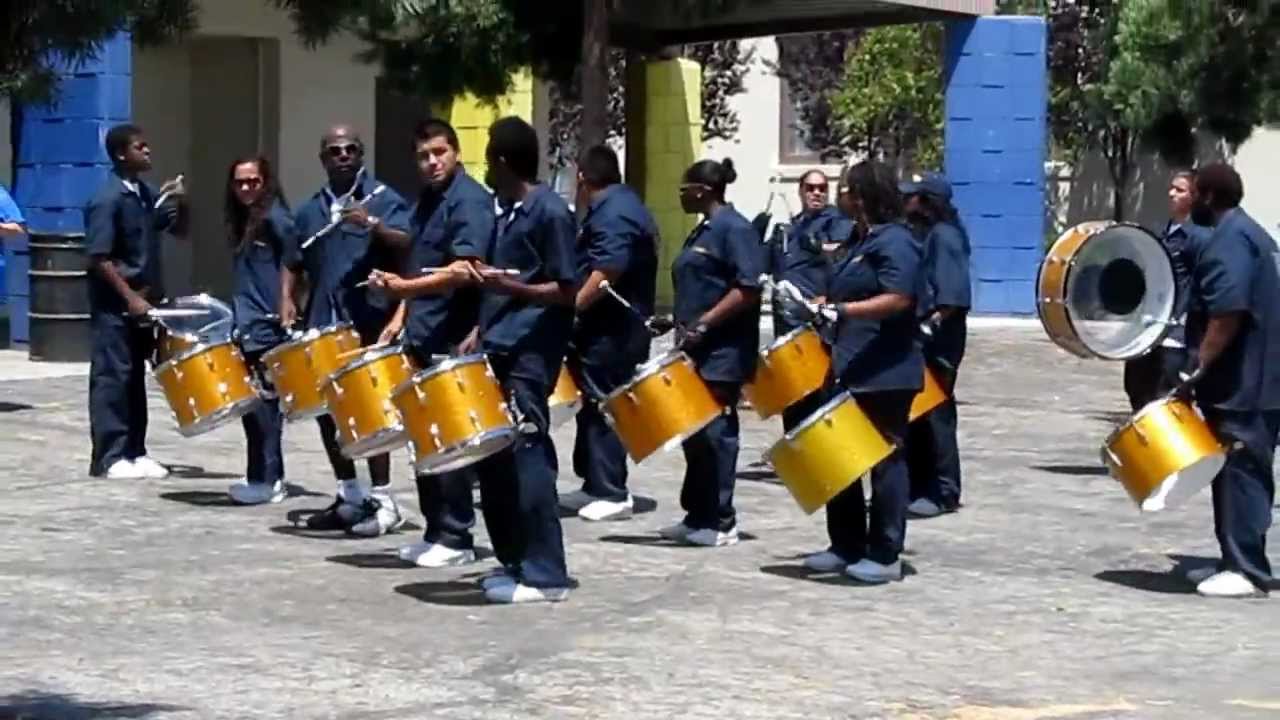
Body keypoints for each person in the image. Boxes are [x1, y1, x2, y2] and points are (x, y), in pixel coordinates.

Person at [366, 118, 493, 568]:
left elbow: (465, 268)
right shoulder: (427, 202)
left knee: (450, 443)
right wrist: (400, 313)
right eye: (423, 156)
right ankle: (435, 529)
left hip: (453, 338)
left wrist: (404, 291)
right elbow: (421, 268)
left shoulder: (470, 201)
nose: (432, 162)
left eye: (439, 152)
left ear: (456, 152)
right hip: (422, 333)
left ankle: (457, 536)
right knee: (424, 439)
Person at [464, 116, 578, 603]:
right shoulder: (505, 212)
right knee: (497, 459)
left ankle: (545, 572)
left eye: (489, 155)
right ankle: (513, 558)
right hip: (498, 346)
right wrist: (477, 330)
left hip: (531, 352)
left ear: (504, 161)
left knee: (530, 456)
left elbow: (567, 289)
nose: (485, 165)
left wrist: (509, 286)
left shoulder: (549, 211)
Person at [279, 125, 412, 536]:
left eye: (350, 149)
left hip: (370, 323)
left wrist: (372, 224)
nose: (343, 156)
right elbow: (292, 259)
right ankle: (350, 495)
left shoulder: (383, 199)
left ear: (361, 155)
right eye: (334, 150)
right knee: (328, 413)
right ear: (323, 158)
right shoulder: (310, 210)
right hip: (324, 322)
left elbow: (408, 246)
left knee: (372, 410)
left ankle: (385, 499)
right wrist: (286, 298)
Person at [805, 160, 923, 584]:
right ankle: (846, 544)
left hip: (886, 371)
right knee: (840, 456)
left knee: (885, 459)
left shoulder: (896, 242)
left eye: (844, 188)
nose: (838, 195)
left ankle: (885, 552)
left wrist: (842, 311)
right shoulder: (859, 239)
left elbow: (899, 298)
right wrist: (821, 303)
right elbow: (850, 288)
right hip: (848, 366)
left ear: (860, 195)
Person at [1178, 162, 1280, 598]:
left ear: (1208, 197)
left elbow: (1228, 311)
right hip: (1253, 379)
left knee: (1244, 471)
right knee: (1234, 466)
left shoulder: (1229, 242)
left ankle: (1248, 570)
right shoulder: (1248, 233)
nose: (1189, 200)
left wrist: (1198, 365)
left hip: (1246, 384)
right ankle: (1232, 559)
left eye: (1194, 192)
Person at [660, 158, 767, 547]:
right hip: (695, 351)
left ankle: (721, 520)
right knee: (695, 433)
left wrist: (705, 323)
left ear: (702, 190)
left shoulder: (734, 230)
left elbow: (748, 288)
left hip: (723, 351)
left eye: (684, 189)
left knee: (717, 434)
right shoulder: (704, 230)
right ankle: (697, 515)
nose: (681, 195)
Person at [558, 144, 659, 522]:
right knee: (592, 405)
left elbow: (605, 272)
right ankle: (593, 483)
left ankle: (613, 491)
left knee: (607, 406)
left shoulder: (614, 213)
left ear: (582, 177)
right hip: (604, 331)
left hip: (614, 331)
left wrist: (570, 310)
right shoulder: (619, 205)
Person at [85, 123, 187, 479]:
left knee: (134, 380)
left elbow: (175, 228)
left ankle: (135, 450)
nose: (148, 151)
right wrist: (128, 297)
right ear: (120, 154)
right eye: (140, 147)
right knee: (113, 378)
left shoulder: (143, 194)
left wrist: (176, 200)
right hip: (116, 306)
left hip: (144, 304)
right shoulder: (108, 198)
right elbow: (99, 257)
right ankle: (109, 457)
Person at [900, 171, 971, 518]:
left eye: (912, 197)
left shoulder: (944, 237)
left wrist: (929, 326)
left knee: (936, 415)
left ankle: (943, 492)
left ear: (927, 203)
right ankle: (918, 487)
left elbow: (952, 296)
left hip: (940, 344)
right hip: (925, 340)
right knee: (919, 416)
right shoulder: (927, 235)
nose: (906, 202)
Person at [224, 156, 293, 505]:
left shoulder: (275, 219)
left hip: (266, 326)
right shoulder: (246, 221)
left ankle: (269, 479)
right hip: (248, 322)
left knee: (265, 408)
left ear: (266, 182)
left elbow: (292, 263)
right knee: (255, 406)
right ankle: (260, 475)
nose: (247, 188)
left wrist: (284, 304)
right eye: (240, 182)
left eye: (253, 181)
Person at [1122, 170, 1208, 411]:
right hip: (1149, 330)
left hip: (1175, 336)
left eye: (1179, 190)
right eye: (1171, 188)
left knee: (1167, 398)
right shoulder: (1163, 233)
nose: (1171, 194)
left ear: (1195, 197)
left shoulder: (1199, 238)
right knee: (1137, 388)